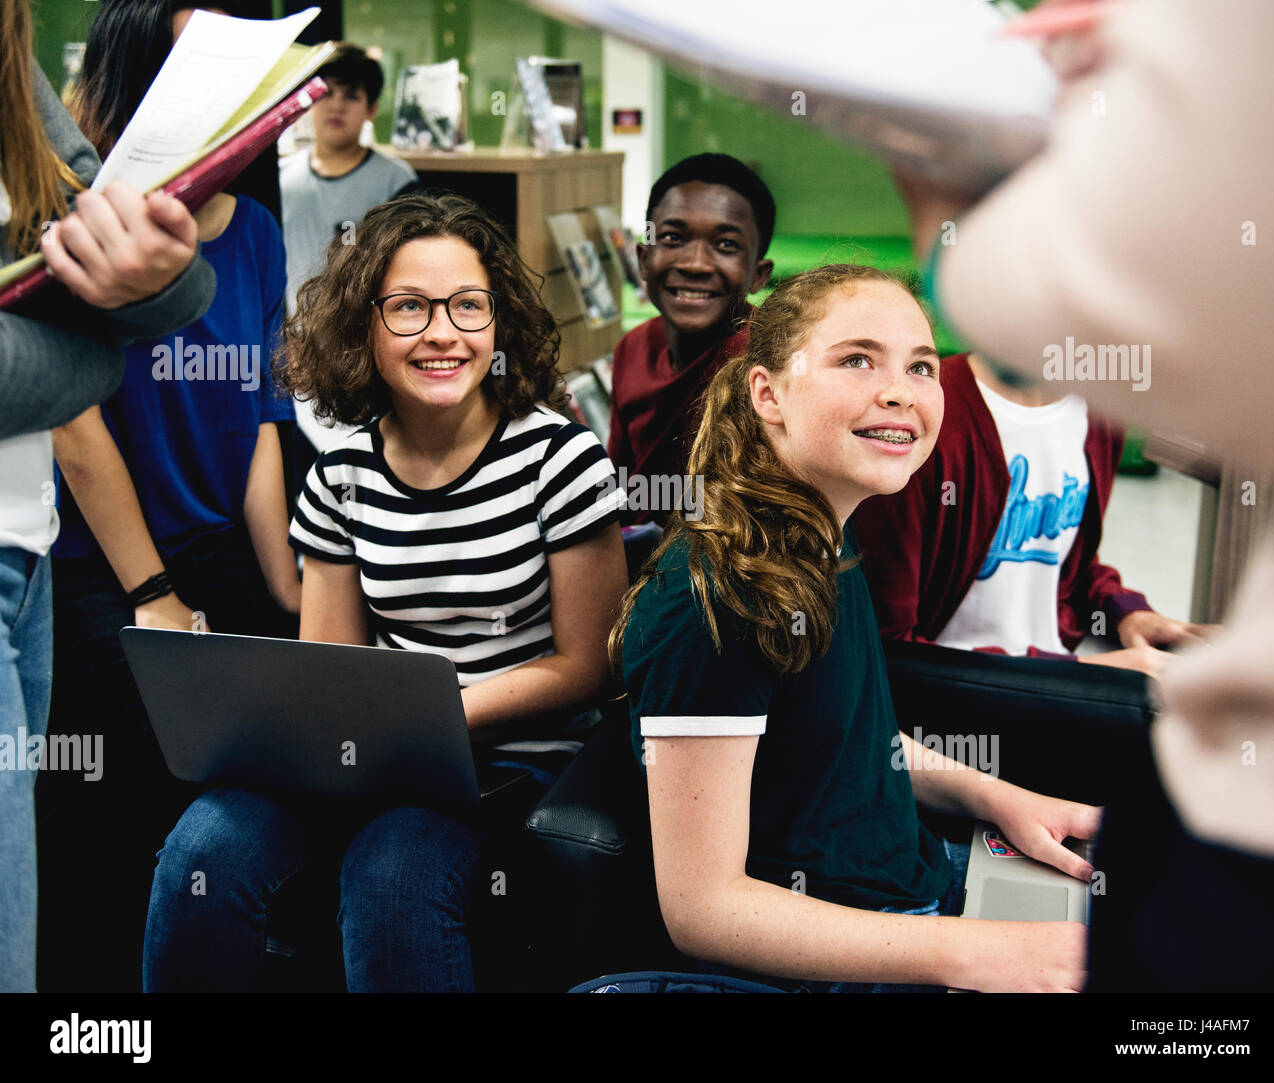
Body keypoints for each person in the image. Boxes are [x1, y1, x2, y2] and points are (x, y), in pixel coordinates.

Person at [899, 0, 1274, 989]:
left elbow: (1069, 550)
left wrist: (1125, 613)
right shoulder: (939, 408)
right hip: (976, 688)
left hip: (1070, 681)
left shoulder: (1098, 399)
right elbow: (889, 638)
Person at [142, 191, 628, 992]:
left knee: (392, 872)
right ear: (363, 326)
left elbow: (586, 666)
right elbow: (329, 666)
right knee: (203, 850)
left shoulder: (560, 460)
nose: (442, 332)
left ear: (498, 321)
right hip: (368, 756)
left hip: (508, 765)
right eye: (408, 307)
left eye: (468, 306)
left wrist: (435, 718)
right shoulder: (339, 479)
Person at [613, 263, 1098, 992]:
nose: (901, 389)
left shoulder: (822, 530)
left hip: (918, 886)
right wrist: (976, 953)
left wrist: (1000, 799)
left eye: (922, 365)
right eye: (857, 359)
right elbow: (704, 907)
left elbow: (849, 739)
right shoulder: (711, 599)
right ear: (767, 393)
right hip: (853, 950)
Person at [36, 0, 300, 992]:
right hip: (99, 563)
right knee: (103, 816)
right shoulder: (76, 217)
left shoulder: (259, 231)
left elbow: (263, 419)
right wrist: (151, 592)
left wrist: (280, 585)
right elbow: (74, 420)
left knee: (224, 817)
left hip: (211, 551)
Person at [0, 0, 212, 993]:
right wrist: (101, 341)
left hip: (23, 546)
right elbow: (91, 383)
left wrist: (146, 289)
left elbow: (168, 297)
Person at [850, 350, 1212, 677]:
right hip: (957, 694)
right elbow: (890, 648)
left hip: (1052, 671)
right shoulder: (923, 420)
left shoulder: (1101, 413)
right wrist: (1086, 671)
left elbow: (1065, 561)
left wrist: (1127, 612)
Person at [606, 153, 774, 525]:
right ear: (644, 259)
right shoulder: (632, 348)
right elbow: (619, 491)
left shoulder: (771, 361)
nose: (695, 264)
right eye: (673, 238)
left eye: (726, 244)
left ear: (758, 275)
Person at [279, 44, 418, 464]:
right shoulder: (280, 180)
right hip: (294, 359)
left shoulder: (397, 183)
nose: (336, 105)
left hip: (365, 361)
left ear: (371, 108)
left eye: (351, 95)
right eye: (326, 92)